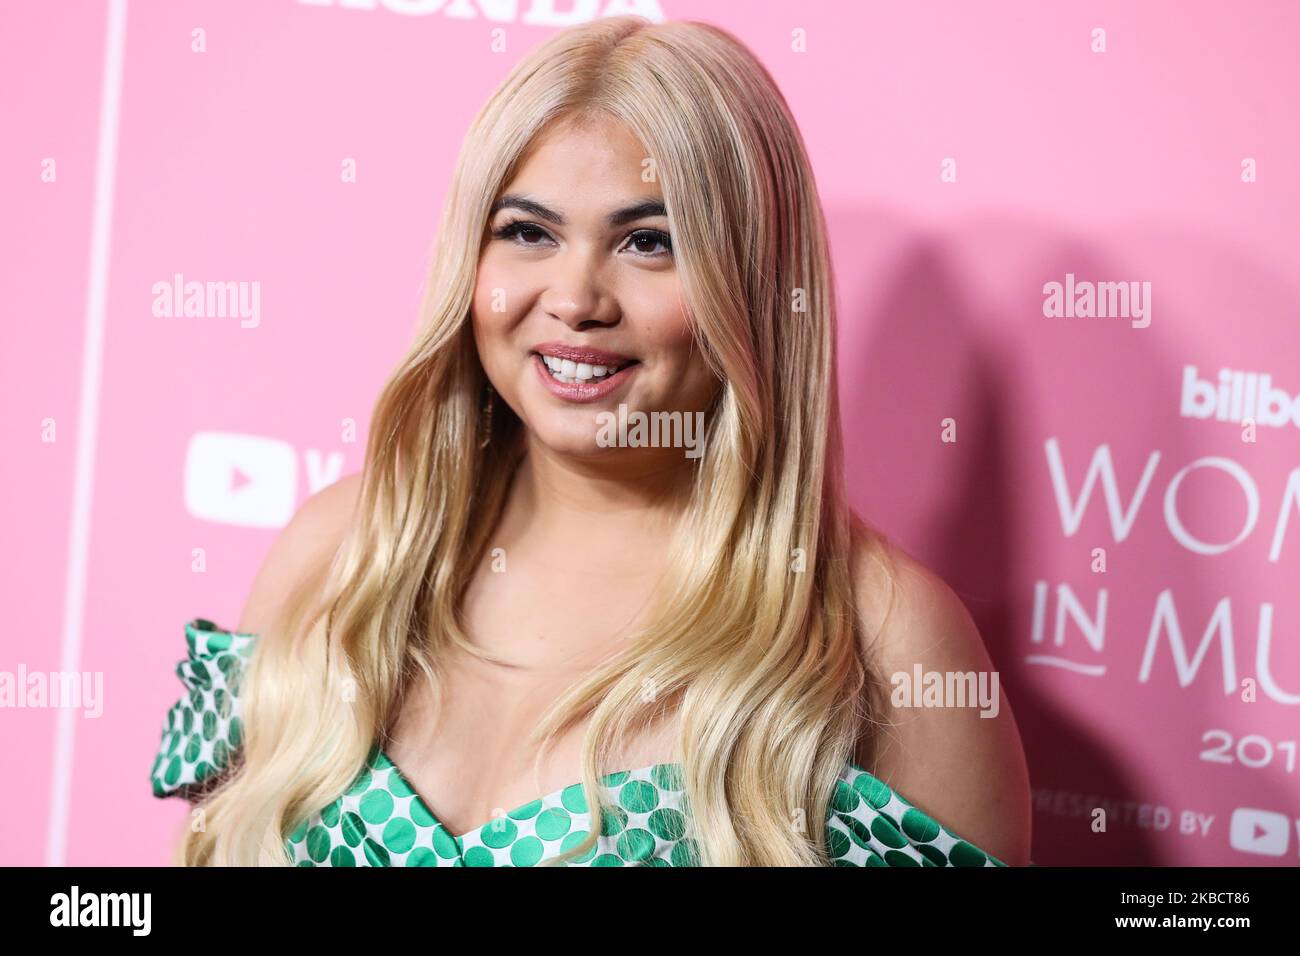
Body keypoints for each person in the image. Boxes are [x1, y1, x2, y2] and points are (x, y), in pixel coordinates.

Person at [150, 14, 1032, 867]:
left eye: (649, 242)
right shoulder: (342, 550)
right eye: (527, 233)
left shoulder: (883, 640)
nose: (575, 299)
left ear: (756, 288)